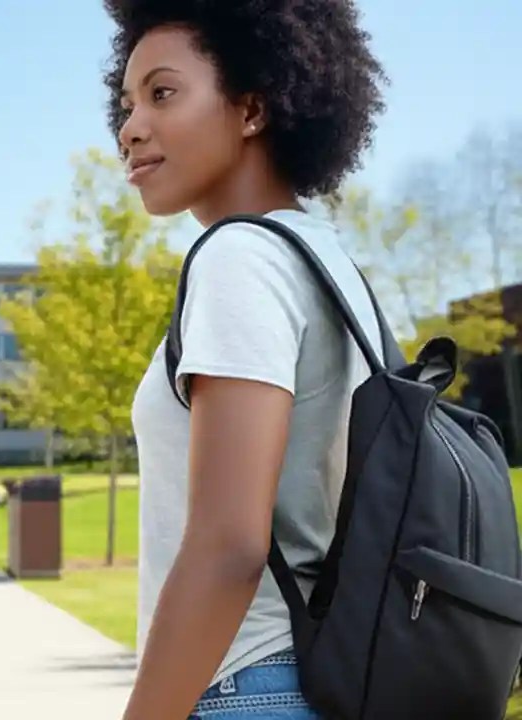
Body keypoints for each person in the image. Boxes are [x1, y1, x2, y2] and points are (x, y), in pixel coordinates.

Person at [109, 0, 388, 717]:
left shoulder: (240, 257)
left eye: (162, 93)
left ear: (254, 108)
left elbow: (229, 544)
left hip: (247, 684)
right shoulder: (325, 261)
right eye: (126, 102)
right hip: (322, 675)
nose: (130, 128)